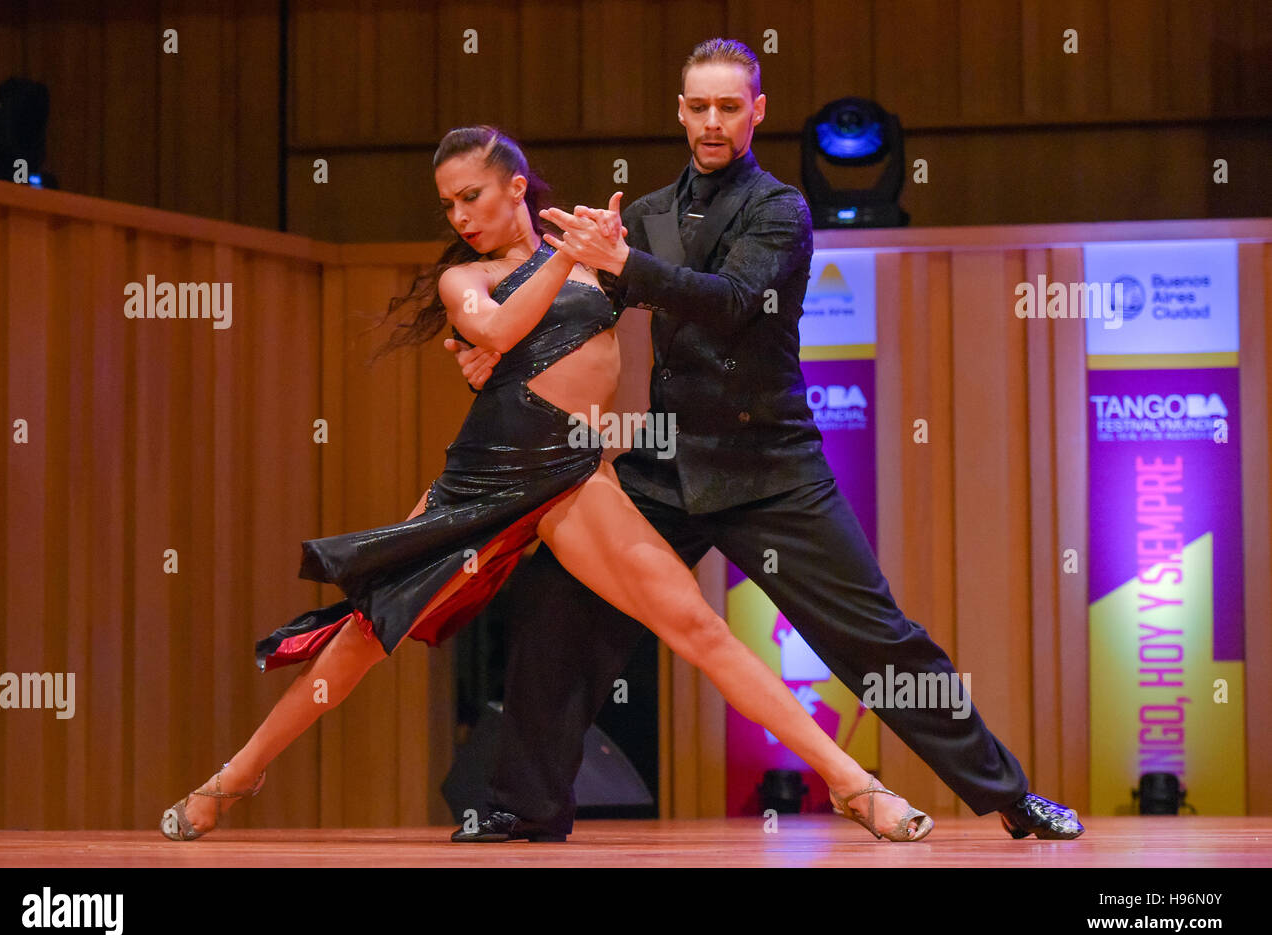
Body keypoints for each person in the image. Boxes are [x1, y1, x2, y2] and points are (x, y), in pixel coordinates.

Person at [159, 124, 934, 844]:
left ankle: (851, 783)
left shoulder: (595, 257)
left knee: (699, 629)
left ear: (516, 186)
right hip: (482, 476)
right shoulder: (470, 276)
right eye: (449, 204)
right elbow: (492, 332)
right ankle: (238, 775)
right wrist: (565, 261)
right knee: (365, 632)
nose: (460, 215)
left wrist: (608, 260)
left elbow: (682, 304)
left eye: (472, 196)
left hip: (572, 477)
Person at [447, 39, 1084, 842]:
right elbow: (574, 317)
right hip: (670, 466)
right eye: (697, 107)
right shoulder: (639, 216)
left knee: (876, 639)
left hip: (774, 471)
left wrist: (624, 265)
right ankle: (525, 804)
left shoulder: (780, 209)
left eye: (728, 106)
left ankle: (1009, 797)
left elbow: (733, 299)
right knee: (555, 604)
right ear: (680, 111)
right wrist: (491, 346)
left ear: (757, 111)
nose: (712, 122)